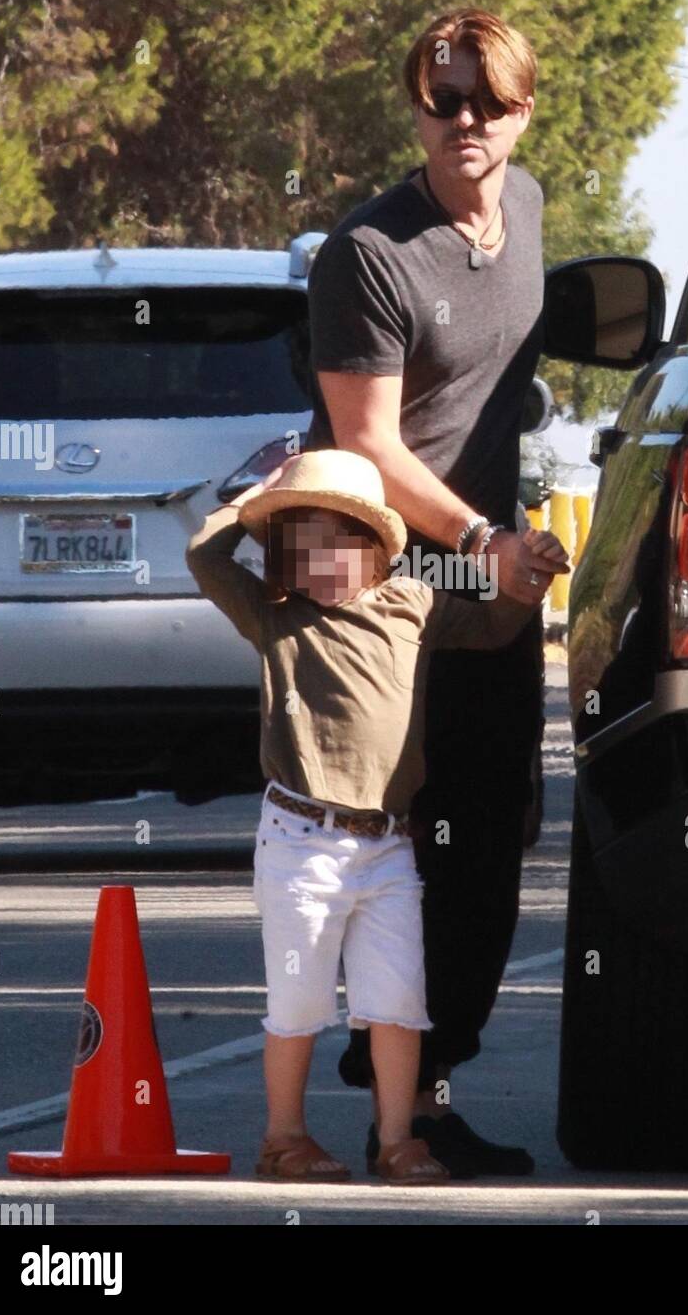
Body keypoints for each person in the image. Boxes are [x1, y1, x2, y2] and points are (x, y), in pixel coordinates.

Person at [304, 7, 564, 1176]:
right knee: (407, 852)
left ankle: (425, 1080)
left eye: (488, 101)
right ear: (414, 105)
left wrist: (515, 550)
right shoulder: (369, 253)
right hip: (383, 587)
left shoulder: (533, 215)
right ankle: (397, 1111)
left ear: (524, 109)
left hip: (491, 577)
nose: (464, 121)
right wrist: (482, 537)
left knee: (494, 840)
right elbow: (369, 445)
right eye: (441, 98)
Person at [185, 448, 568, 1182]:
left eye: (334, 543)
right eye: (295, 549)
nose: (316, 563)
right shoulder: (273, 616)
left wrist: (531, 575)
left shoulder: (413, 602)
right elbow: (206, 559)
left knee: (397, 1003)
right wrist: (250, 505)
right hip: (300, 839)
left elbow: (492, 629)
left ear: (375, 547)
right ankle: (284, 1138)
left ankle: (397, 1140)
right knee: (298, 1003)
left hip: (388, 846)